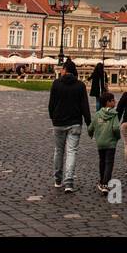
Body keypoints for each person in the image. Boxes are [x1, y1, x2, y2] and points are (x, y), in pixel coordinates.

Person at [48, 59, 91, 193]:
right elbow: (85, 106)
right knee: (71, 152)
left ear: (65, 70)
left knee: (59, 150)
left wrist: (53, 117)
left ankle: (57, 179)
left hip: (59, 122)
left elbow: (51, 104)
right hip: (75, 123)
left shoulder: (56, 84)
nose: (60, 71)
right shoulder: (80, 85)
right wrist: (89, 123)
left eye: (62, 69)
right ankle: (69, 182)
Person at [88, 91, 121, 193]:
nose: (115, 101)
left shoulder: (98, 114)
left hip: (100, 142)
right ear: (108, 102)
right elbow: (116, 128)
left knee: (102, 161)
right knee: (109, 163)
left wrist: (91, 134)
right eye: (113, 100)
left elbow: (90, 128)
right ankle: (105, 184)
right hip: (111, 142)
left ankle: (102, 181)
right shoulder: (114, 114)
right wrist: (117, 137)